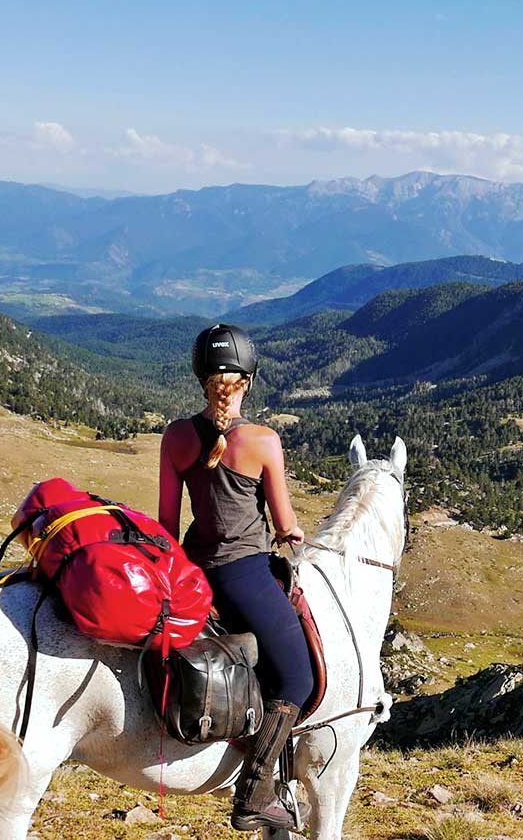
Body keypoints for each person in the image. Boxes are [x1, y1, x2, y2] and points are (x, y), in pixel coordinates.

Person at [159, 323, 312, 831]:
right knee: (297, 675)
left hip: (191, 574)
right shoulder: (263, 441)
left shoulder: (177, 436)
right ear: (248, 379)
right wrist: (295, 537)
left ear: (201, 376)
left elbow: (164, 525)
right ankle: (254, 794)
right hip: (243, 575)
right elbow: (285, 526)